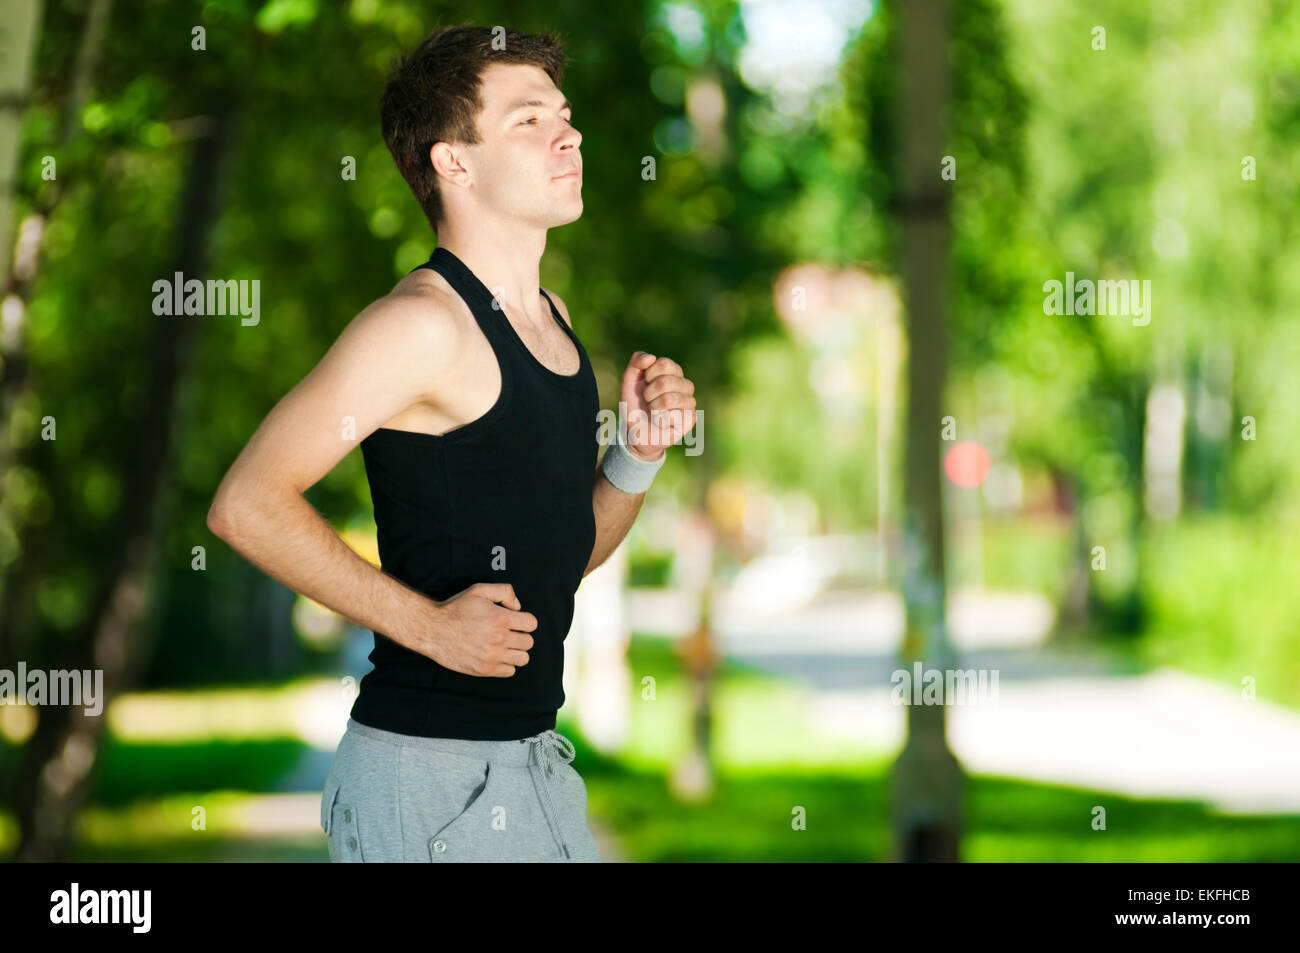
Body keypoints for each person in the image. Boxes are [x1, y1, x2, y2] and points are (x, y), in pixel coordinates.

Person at [205, 23, 696, 862]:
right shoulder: (420, 327)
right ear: (453, 161)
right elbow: (246, 505)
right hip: (428, 775)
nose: (568, 133)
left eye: (565, 114)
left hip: (535, 765)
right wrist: (430, 627)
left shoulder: (556, 325)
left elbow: (559, 558)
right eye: (529, 119)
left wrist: (637, 455)